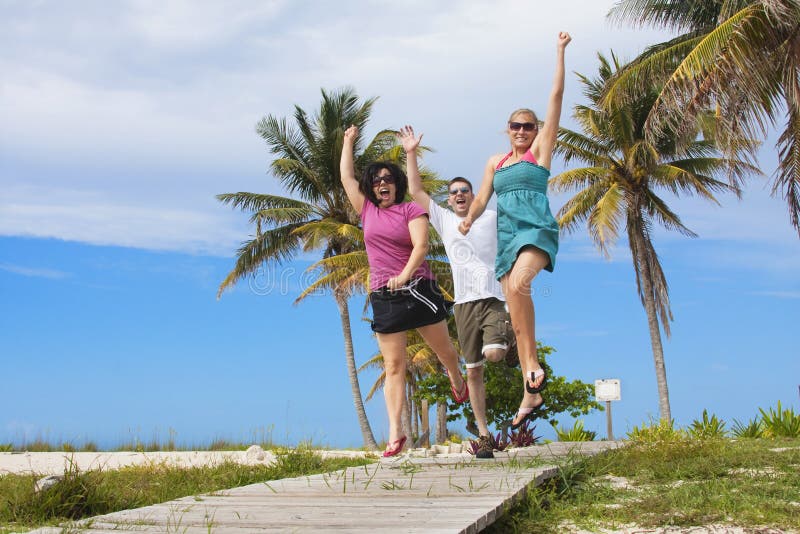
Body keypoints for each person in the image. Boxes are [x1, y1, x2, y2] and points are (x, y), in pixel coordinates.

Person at [459, 31, 572, 430]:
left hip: (535, 231)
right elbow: (481, 197)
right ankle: (530, 387)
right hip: (508, 238)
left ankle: (534, 365)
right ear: (507, 129)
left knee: (521, 285)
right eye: (515, 126)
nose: (522, 131)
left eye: (528, 126)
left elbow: (556, 98)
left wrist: (559, 52)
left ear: (536, 130)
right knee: (517, 315)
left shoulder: (540, 152)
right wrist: (470, 218)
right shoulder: (496, 162)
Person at [340, 124, 469, 458]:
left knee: (444, 352)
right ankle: (395, 432)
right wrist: (348, 142)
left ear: (396, 184)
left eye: (388, 179)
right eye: (376, 181)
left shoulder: (411, 209)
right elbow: (346, 178)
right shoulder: (367, 210)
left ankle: (457, 378)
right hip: (385, 295)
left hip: (418, 288)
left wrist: (405, 274)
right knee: (394, 365)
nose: (382, 184)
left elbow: (421, 246)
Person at [401, 126, 515, 460]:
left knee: (494, 355)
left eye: (465, 190)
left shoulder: (491, 216)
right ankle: (484, 435)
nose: (460, 194)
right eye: (454, 192)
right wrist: (411, 152)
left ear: (473, 194)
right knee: (474, 370)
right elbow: (415, 190)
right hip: (463, 304)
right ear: (449, 200)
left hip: (493, 298)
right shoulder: (445, 220)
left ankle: (509, 342)